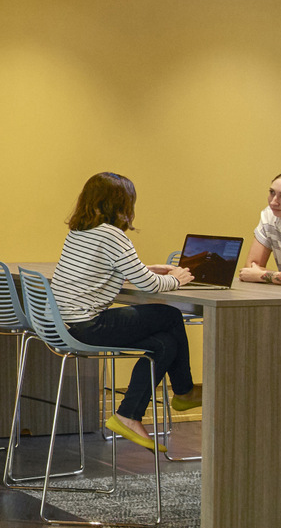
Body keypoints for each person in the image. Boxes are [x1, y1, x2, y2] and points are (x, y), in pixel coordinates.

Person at [52, 171, 201, 451]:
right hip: (88, 325)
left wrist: (145, 269)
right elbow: (148, 285)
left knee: (164, 344)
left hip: (65, 325)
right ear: (122, 203)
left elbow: (99, 272)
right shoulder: (112, 235)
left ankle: (127, 416)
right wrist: (176, 279)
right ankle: (184, 391)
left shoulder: (80, 231)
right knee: (170, 315)